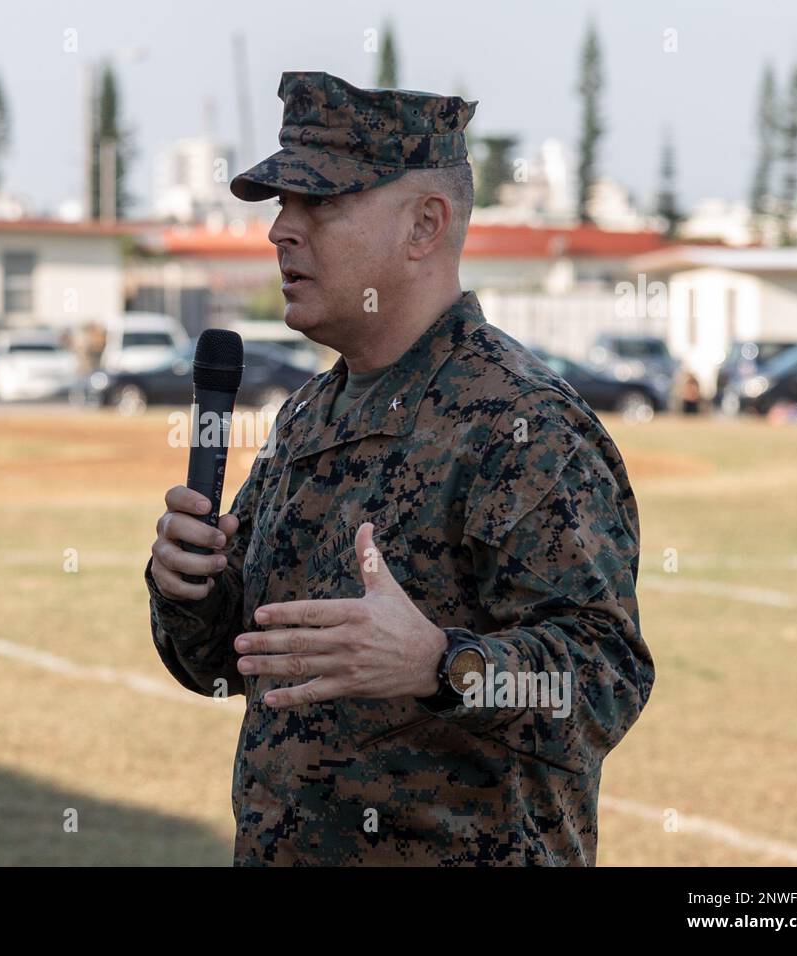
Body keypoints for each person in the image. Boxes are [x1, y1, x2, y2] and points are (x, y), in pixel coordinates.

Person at [145, 71, 654, 865]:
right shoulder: (311, 414)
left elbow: (602, 683)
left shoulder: (521, 426)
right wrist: (189, 589)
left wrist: (441, 665)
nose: (282, 230)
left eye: (320, 203)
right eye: (281, 204)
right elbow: (229, 665)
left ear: (425, 224)